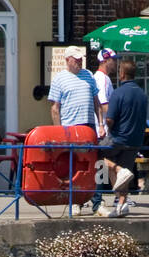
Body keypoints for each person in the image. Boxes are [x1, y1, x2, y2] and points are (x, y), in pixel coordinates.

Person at [49, 46, 101, 214]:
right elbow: (55, 108)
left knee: (95, 164)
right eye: (76, 59)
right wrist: (59, 131)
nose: (79, 62)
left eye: (81, 59)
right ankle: (75, 200)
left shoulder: (88, 75)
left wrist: (101, 124)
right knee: (73, 165)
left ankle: (97, 201)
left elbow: (96, 102)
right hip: (71, 127)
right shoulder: (59, 79)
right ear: (67, 60)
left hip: (89, 125)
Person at [98, 58, 146, 218]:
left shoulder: (118, 93)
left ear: (122, 73)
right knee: (124, 171)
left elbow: (110, 119)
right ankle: (122, 204)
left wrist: (109, 126)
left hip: (118, 138)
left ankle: (118, 172)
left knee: (94, 155)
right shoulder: (142, 94)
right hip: (136, 140)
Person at [91, 48, 118, 213]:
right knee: (104, 164)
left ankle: (118, 197)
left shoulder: (99, 78)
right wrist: (118, 119)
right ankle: (107, 198)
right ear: (105, 60)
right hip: (102, 130)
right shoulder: (103, 79)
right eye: (113, 59)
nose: (115, 62)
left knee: (102, 164)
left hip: (99, 128)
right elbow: (103, 105)